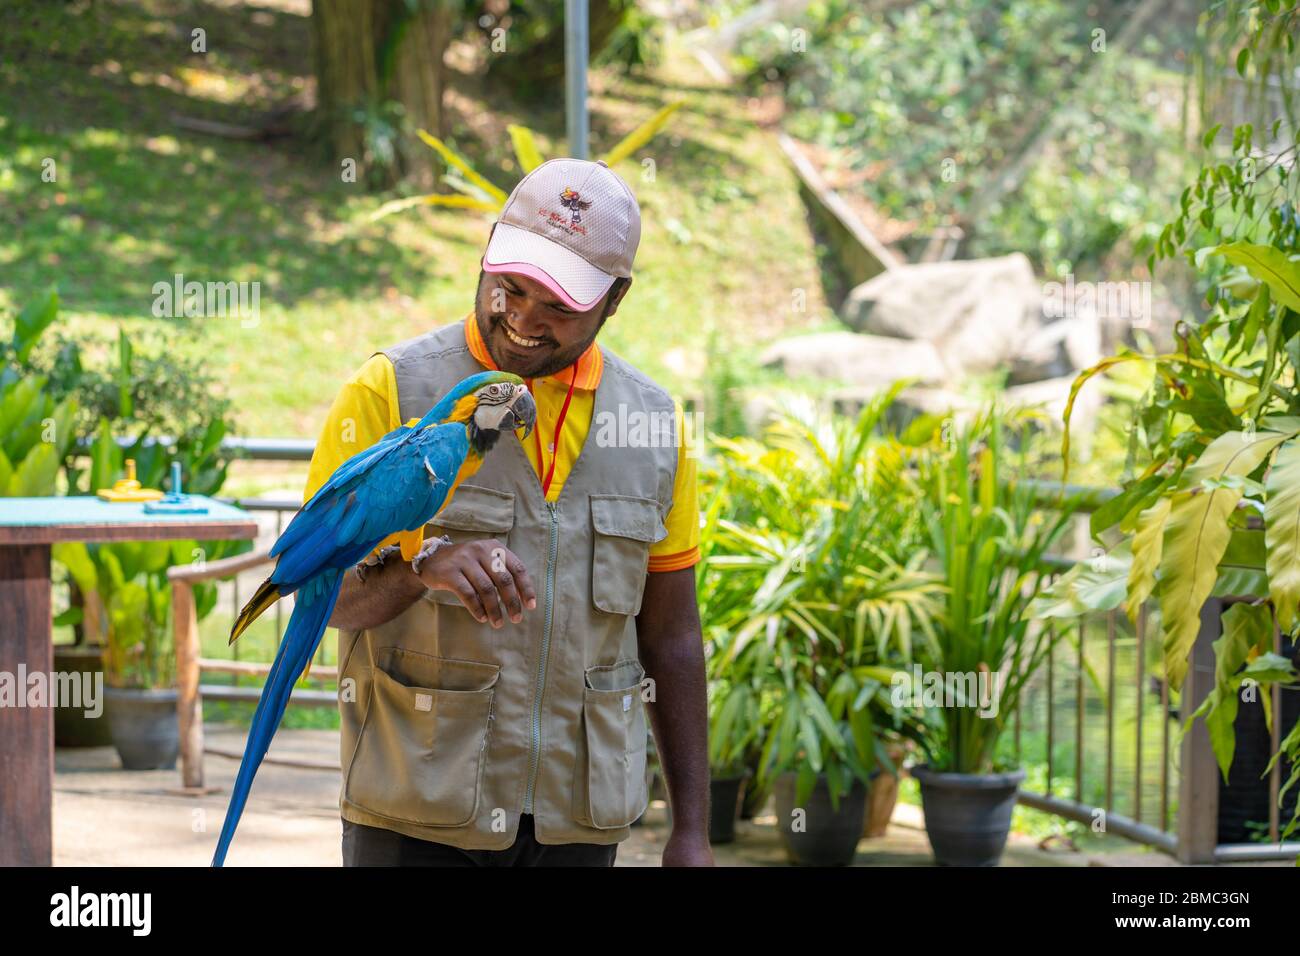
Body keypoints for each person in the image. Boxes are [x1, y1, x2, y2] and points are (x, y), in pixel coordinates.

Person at [305, 157, 713, 867]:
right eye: (510, 288)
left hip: (577, 826)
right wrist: (421, 569)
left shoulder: (653, 426)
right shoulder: (390, 392)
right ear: (489, 251)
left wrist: (691, 832)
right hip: (415, 816)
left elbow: (671, 635)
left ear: (614, 300)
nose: (522, 320)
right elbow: (322, 597)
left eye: (559, 306)